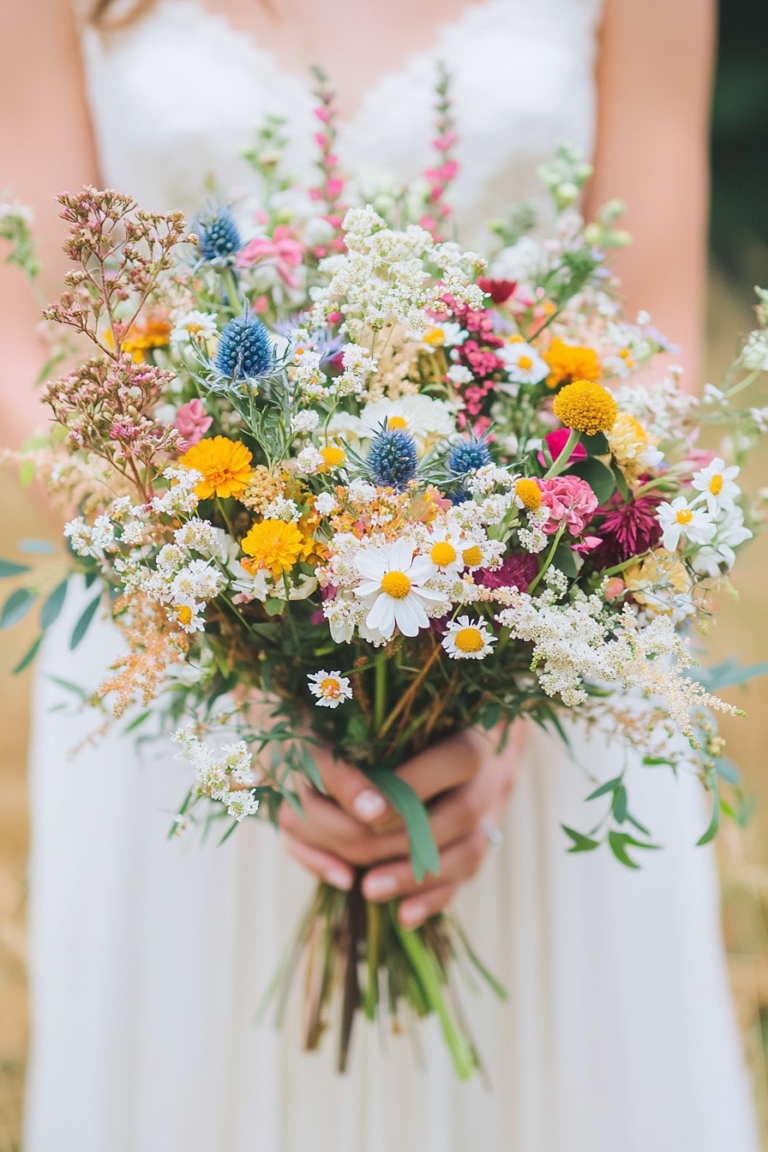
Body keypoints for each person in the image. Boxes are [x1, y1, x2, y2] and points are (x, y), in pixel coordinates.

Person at [0, 0, 759, 1149]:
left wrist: (505, 685)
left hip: (541, 661)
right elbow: (33, 340)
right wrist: (239, 651)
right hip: (186, 667)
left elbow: (649, 335)